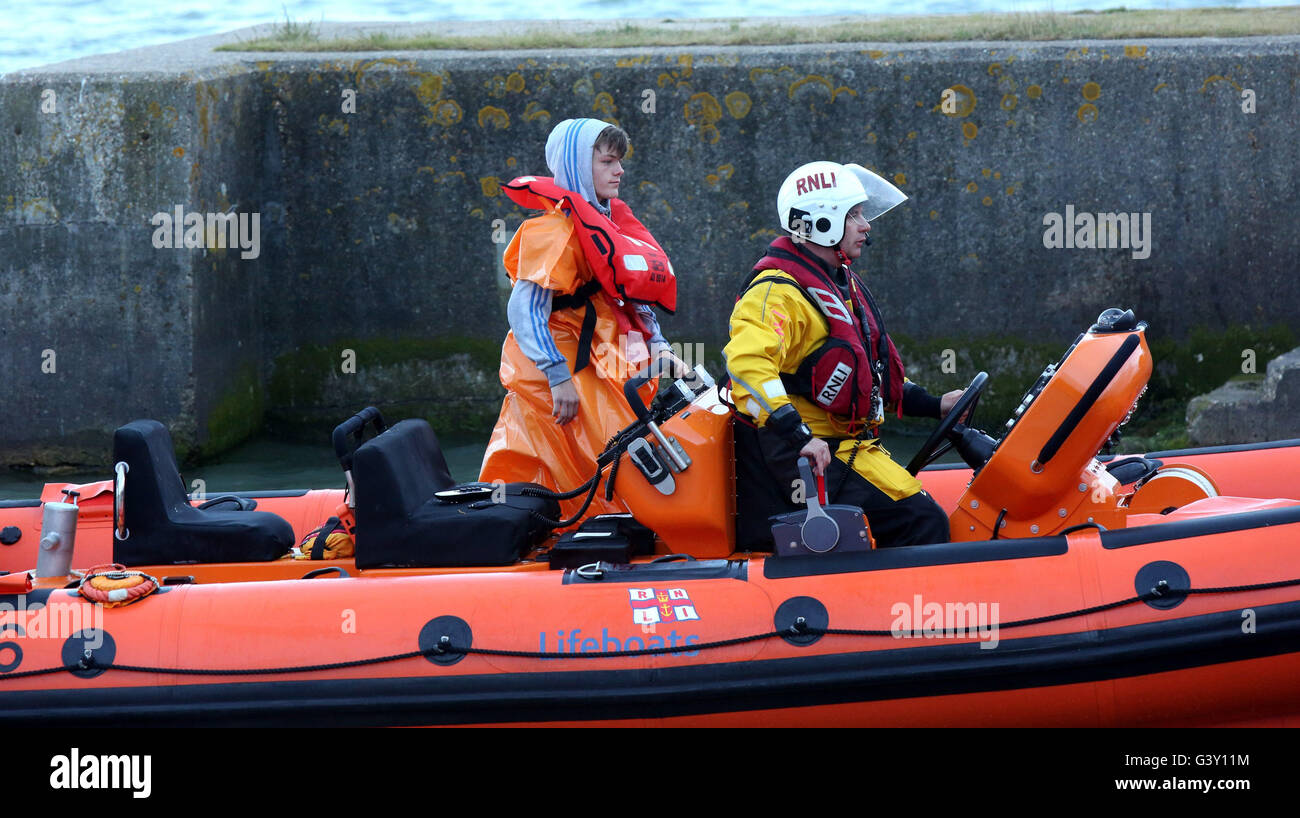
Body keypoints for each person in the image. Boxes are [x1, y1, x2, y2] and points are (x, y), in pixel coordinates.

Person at [724, 160, 962, 550]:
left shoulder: (838, 283)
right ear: (821, 222)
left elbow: (870, 373)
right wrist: (797, 434)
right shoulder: (778, 293)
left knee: (922, 513)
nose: (866, 225)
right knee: (923, 522)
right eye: (854, 215)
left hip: (851, 446)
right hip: (813, 454)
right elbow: (747, 366)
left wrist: (936, 404)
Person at [480, 118, 684, 519]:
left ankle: (620, 520)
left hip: (600, 356)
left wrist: (659, 345)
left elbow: (631, 293)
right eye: (608, 161)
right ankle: (567, 525)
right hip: (560, 364)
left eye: (619, 161)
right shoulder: (551, 233)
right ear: (576, 167)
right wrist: (558, 376)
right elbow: (525, 310)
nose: (619, 170)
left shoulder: (608, 224)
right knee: (586, 450)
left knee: (619, 440)